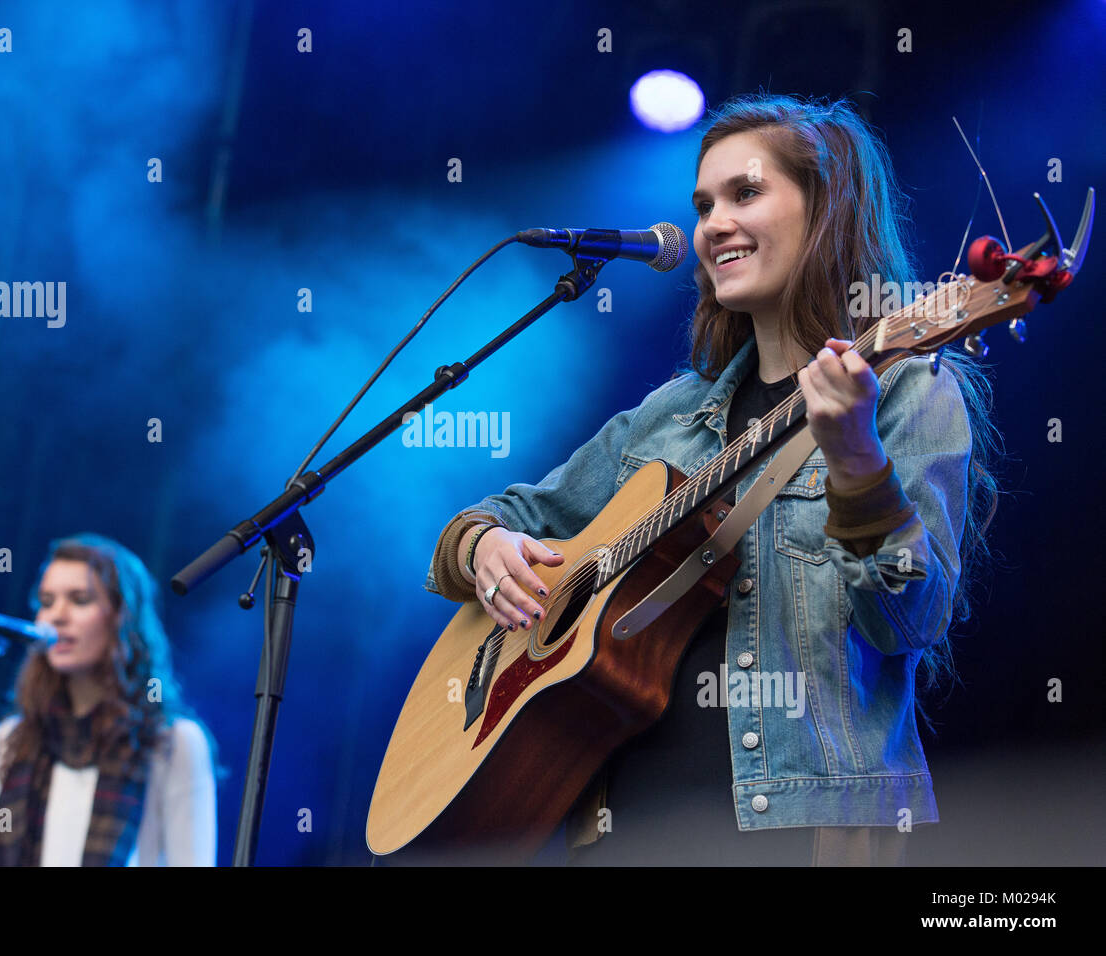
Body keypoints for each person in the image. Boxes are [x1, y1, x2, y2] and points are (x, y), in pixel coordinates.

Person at [423, 94, 1000, 866]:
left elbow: (910, 621)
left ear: (826, 208)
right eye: (703, 204)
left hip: (795, 833)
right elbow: (503, 512)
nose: (713, 224)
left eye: (746, 194)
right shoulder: (669, 415)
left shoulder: (907, 391)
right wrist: (483, 547)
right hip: (618, 830)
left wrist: (855, 458)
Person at [0, 534, 218, 866]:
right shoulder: (9, 739)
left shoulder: (172, 743)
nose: (56, 616)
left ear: (121, 616)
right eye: (46, 602)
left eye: (79, 599)